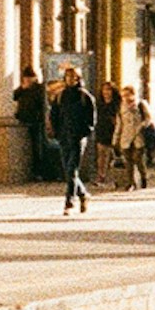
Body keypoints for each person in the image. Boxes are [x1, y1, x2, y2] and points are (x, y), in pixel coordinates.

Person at [52, 62, 96, 214]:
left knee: (72, 169)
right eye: (68, 76)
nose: (70, 79)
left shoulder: (85, 97)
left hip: (77, 138)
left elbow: (91, 120)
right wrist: (57, 133)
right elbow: (54, 116)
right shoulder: (60, 96)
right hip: (64, 137)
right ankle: (83, 194)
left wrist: (84, 132)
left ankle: (69, 202)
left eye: (73, 77)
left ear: (78, 78)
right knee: (68, 170)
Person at [14, 65, 51, 182]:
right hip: (23, 120)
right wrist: (22, 88)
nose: (28, 81)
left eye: (30, 78)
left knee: (37, 148)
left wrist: (45, 120)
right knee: (26, 147)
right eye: (26, 78)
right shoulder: (22, 89)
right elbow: (13, 96)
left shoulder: (39, 89)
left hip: (36, 121)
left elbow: (42, 105)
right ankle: (31, 171)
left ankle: (38, 172)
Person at [113, 85, 149, 190]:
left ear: (133, 94)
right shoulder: (121, 107)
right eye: (123, 96)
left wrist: (142, 125)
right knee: (128, 162)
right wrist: (115, 139)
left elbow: (148, 119)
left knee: (138, 159)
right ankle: (131, 183)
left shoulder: (140, 104)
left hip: (138, 136)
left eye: (128, 95)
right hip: (125, 137)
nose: (126, 98)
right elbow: (119, 124)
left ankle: (143, 177)